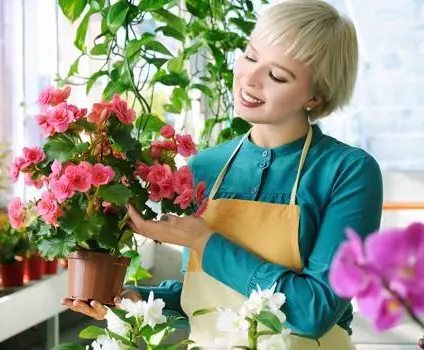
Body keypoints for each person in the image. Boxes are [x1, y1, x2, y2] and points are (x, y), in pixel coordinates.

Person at [62, 0, 383, 347]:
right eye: (251, 55)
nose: (251, 78)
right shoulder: (205, 168)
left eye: (277, 75)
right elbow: (203, 295)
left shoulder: (347, 172)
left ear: (315, 97)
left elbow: (313, 312)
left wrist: (202, 240)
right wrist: (137, 301)